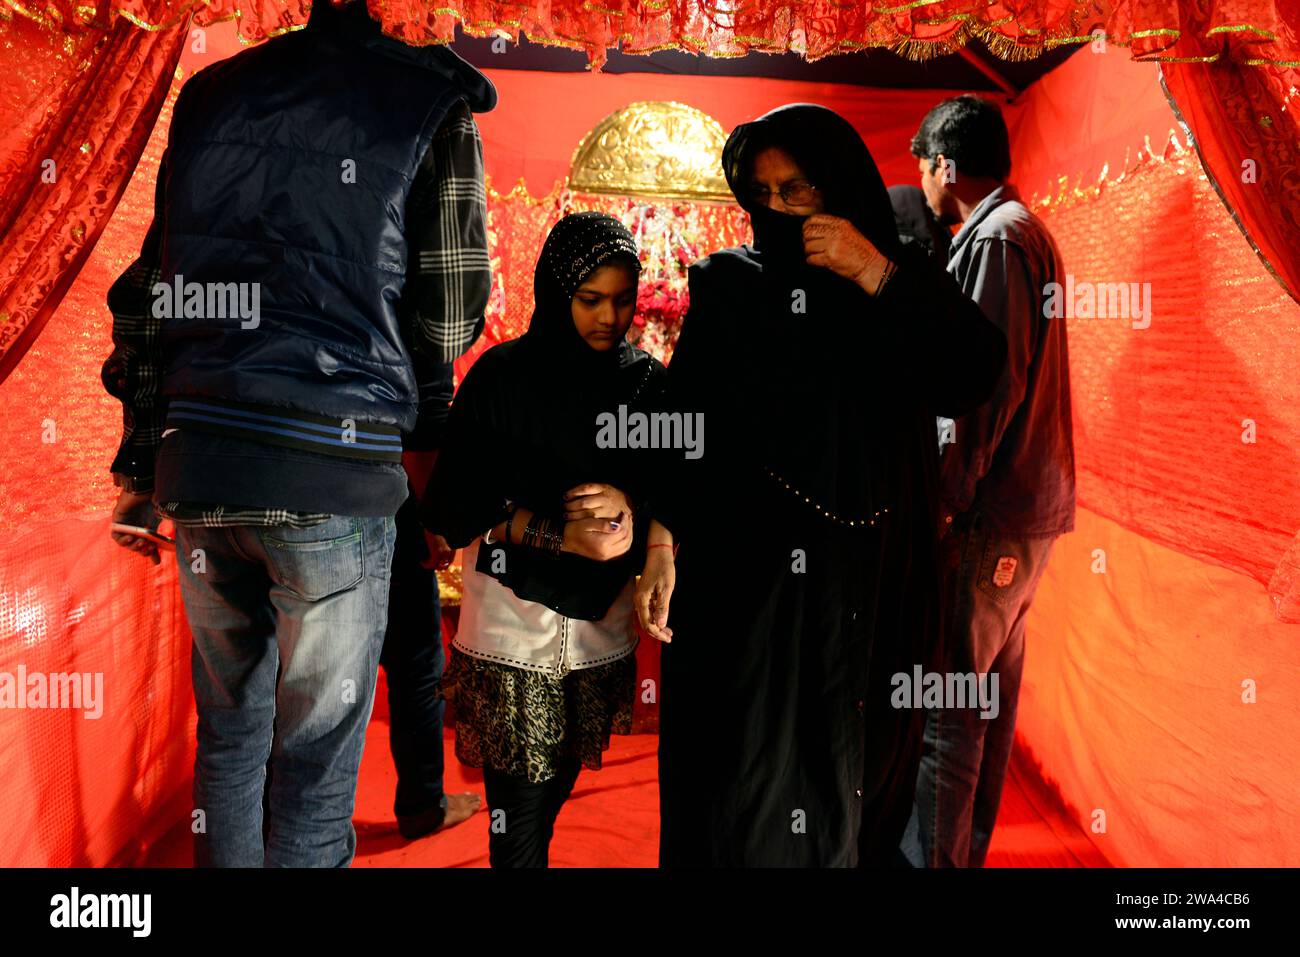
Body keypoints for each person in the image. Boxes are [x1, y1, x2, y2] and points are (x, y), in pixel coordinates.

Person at [102, 0, 495, 866]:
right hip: (333, 470)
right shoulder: (430, 102)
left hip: (202, 461)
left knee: (231, 736)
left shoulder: (212, 94)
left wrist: (142, 460)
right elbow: (450, 313)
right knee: (316, 767)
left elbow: (147, 295)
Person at [636, 103, 1007, 867]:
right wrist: (663, 539)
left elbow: (974, 370)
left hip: (871, 584)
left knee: (858, 784)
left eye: (797, 189)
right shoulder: (731, 288)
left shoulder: (895, 280)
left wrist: (872, 272)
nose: (776, 209)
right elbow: (683, 422)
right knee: (749, 787)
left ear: (835, 186)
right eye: (762, 193)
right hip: (752, 587)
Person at [423, 211, 668, 868]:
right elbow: (454, 507)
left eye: (622, 299)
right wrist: (556, 533)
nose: (609, 318)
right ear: (557, 294)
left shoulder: (645, 384)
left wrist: (631, 509)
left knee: (554, 783)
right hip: (511, 614)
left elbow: (679, 489)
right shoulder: (502, 377)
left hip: (599, 623)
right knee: (520, 812)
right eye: (590, 300)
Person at [902, 94, 1075, 868]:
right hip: (1026, 516)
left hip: (989, 515)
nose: (923, 189)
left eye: (923, 169)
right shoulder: (1027, 231)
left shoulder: (995, 242)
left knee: (948, 711)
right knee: (984, 702)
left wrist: (947, 498)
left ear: (945, 164)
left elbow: (982, 391)